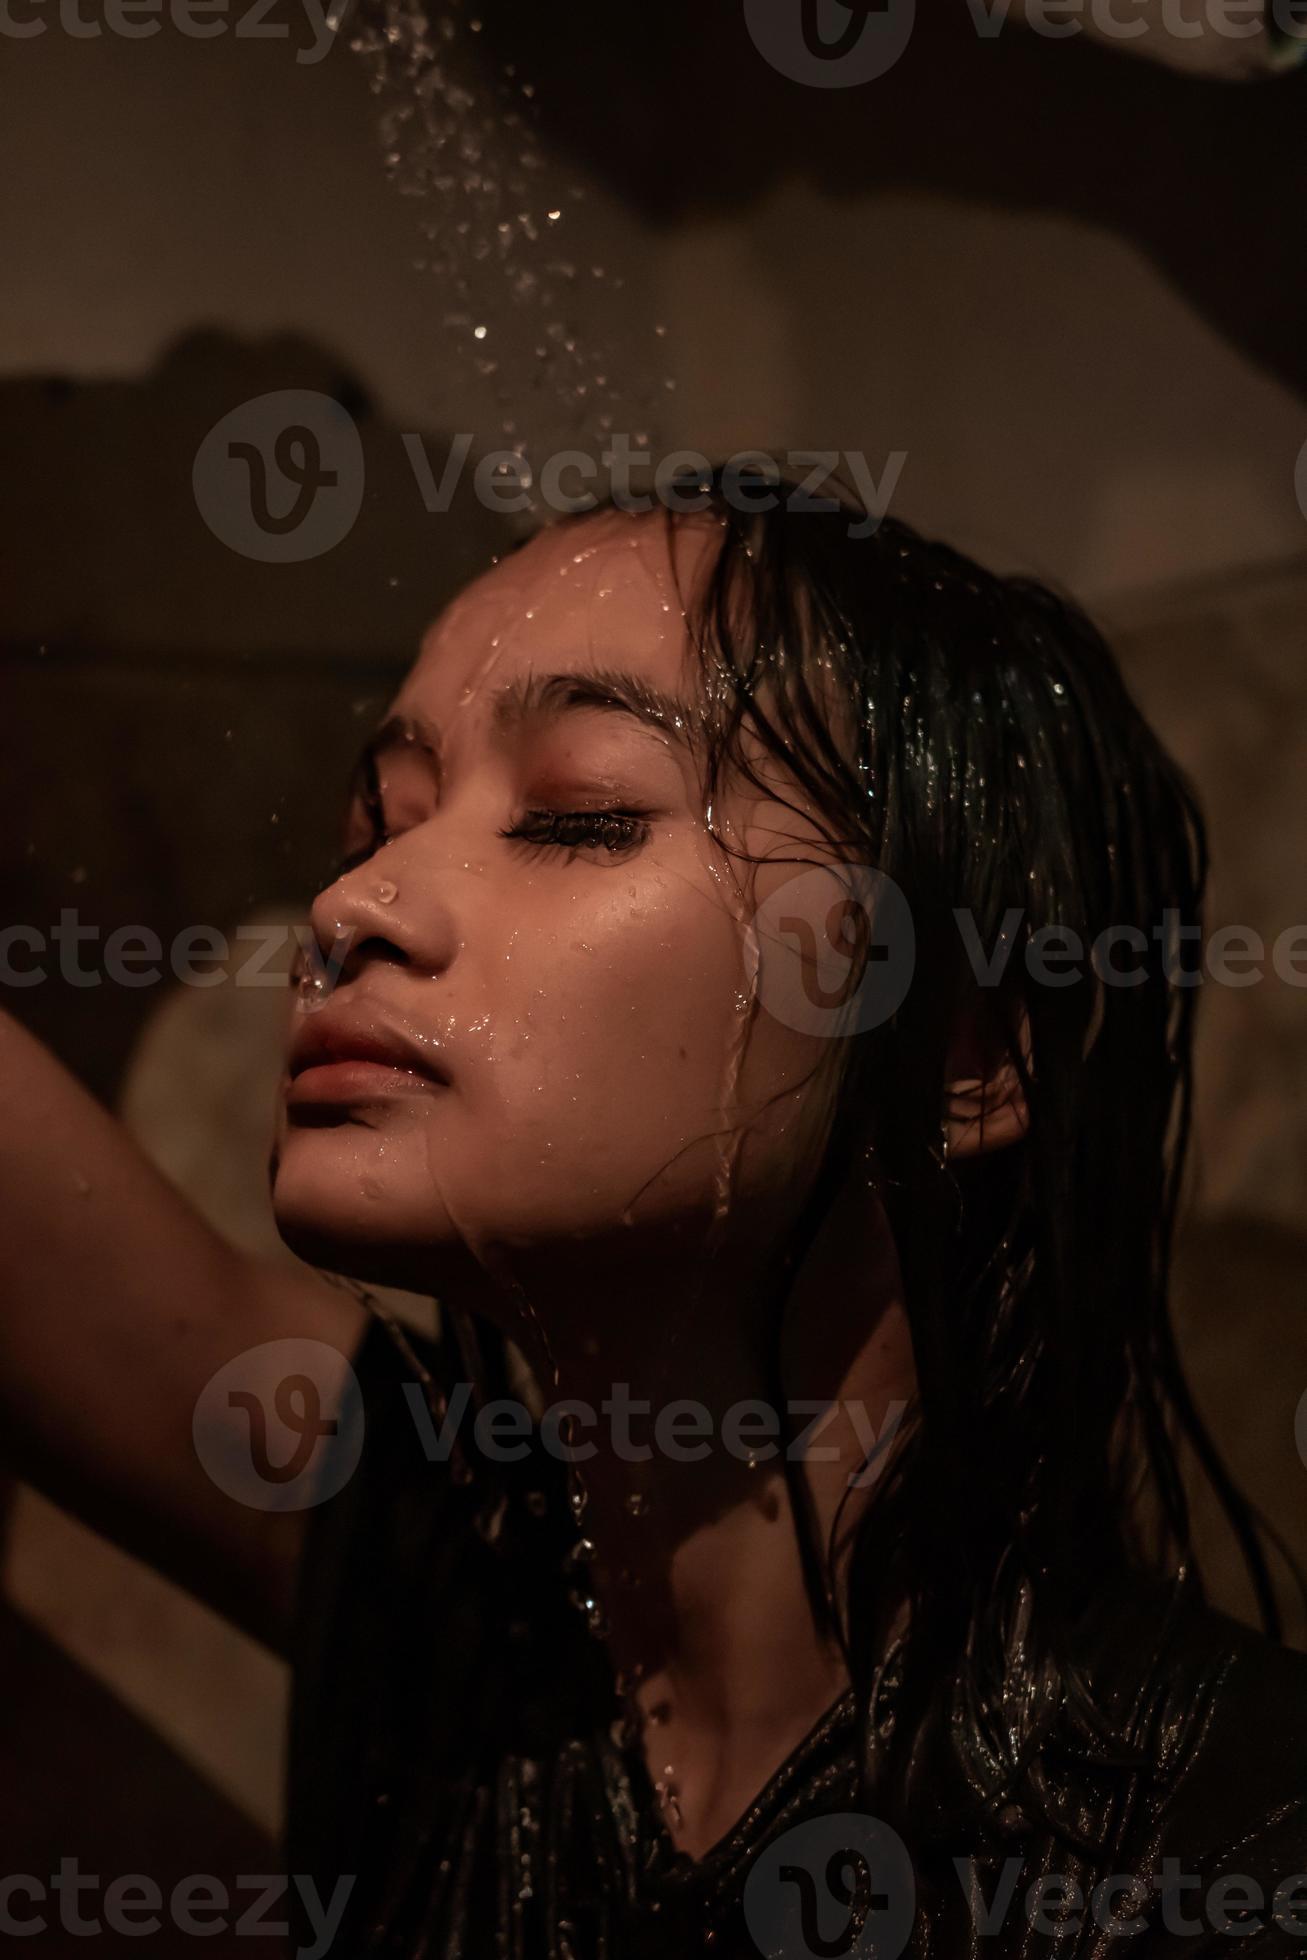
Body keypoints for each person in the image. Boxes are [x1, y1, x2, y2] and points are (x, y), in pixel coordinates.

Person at [2, 474, 1304, 1959]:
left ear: (961, 1044)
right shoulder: (463, 1642)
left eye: (577, 816)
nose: (354, 899)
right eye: (385, 818)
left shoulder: (1224, 1846)